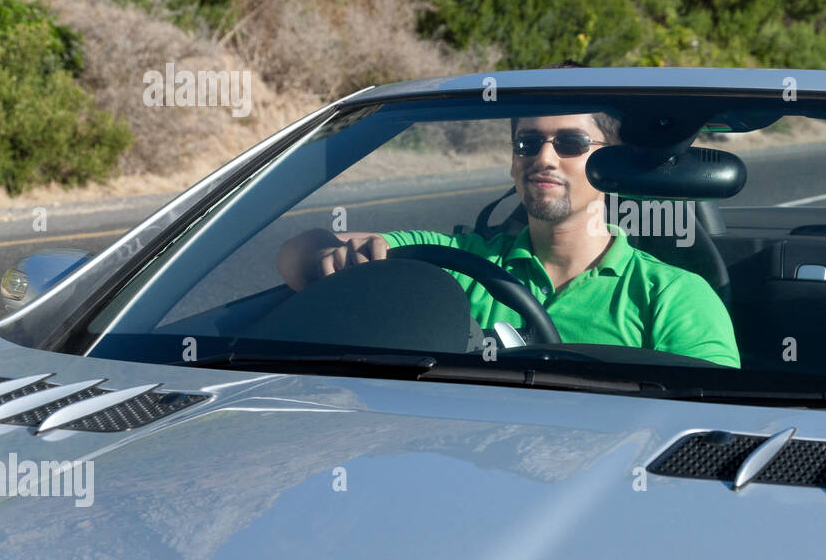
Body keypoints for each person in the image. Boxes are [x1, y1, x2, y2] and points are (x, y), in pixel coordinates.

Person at [276, 110, 741, 367]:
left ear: (612, 163)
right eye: (527, 143)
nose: (544, 157)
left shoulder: (674, 295)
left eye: (571, 143)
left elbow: (712, 421)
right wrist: (328, 257)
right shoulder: (454, 262)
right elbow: (297, 254)